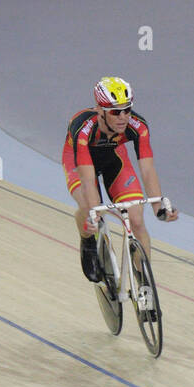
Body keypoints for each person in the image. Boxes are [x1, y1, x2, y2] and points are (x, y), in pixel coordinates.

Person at [64, 76, 176, 287]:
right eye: (116, 112)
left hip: (114, 159)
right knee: (91, 206)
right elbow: (87, 179)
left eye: (127, 109)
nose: (123, 117)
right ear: (100, 110)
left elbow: (147, 168)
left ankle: (144, 284)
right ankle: (88, 241)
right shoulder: (83, 128)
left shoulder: (138, 125)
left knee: (136, 218)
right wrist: (93, 213)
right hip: (79, 161)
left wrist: (158, 207)